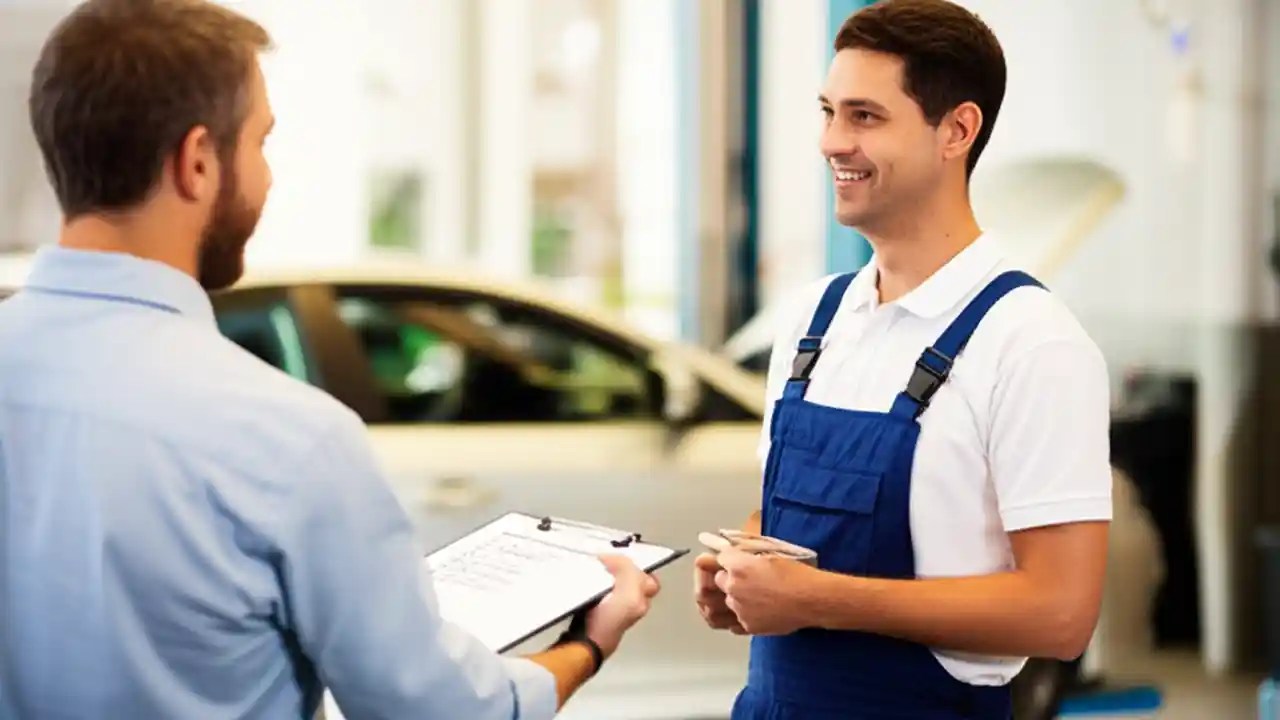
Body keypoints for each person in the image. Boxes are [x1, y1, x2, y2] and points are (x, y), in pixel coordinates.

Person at [0, 1, 658, 718]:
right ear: (196, 162)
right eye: (261, 142)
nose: (269, 178)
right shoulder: (286, 438)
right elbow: (435, 710)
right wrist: (586, 645)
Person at [693, 1, 1112, 718]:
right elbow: (785, 523)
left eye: (864, 116)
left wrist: (818, 601)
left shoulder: (1031, 341)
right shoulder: (811, 323)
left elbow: (1061, 614)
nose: (831, 141)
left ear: (957, 130)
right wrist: (745, 572)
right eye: (828, 111)